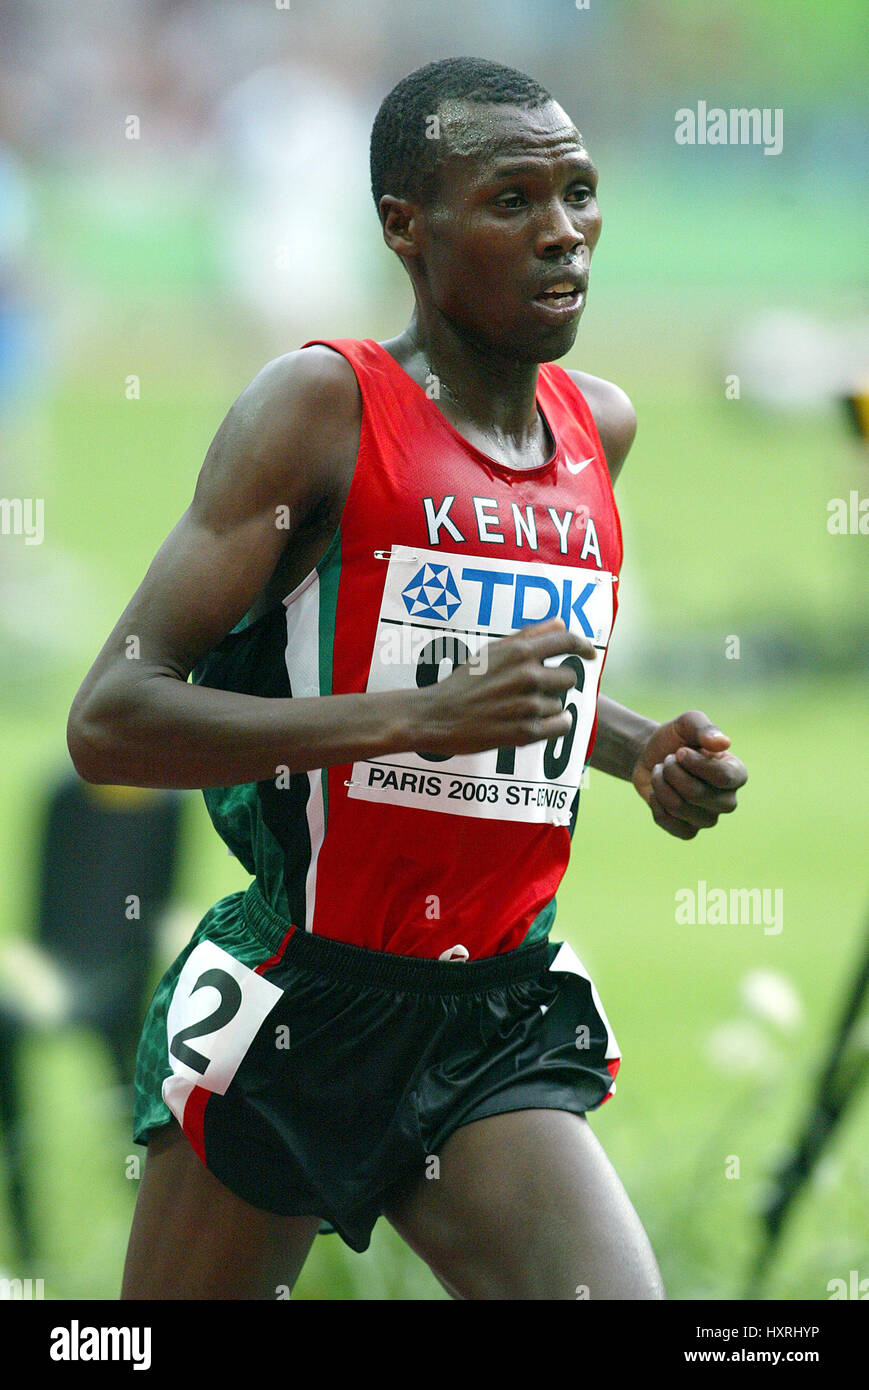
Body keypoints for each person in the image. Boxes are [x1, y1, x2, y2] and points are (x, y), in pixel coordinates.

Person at [67, 56, 747, 1301]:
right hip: (303, 1002)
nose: (563, 236)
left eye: (580, 195)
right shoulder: (318, 410)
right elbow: (112, 719)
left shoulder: (602, 426)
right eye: (512, 201)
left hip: (490, 1008)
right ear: (405, 227)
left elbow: (483, 681)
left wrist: (633, 745)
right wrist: (420, 721)